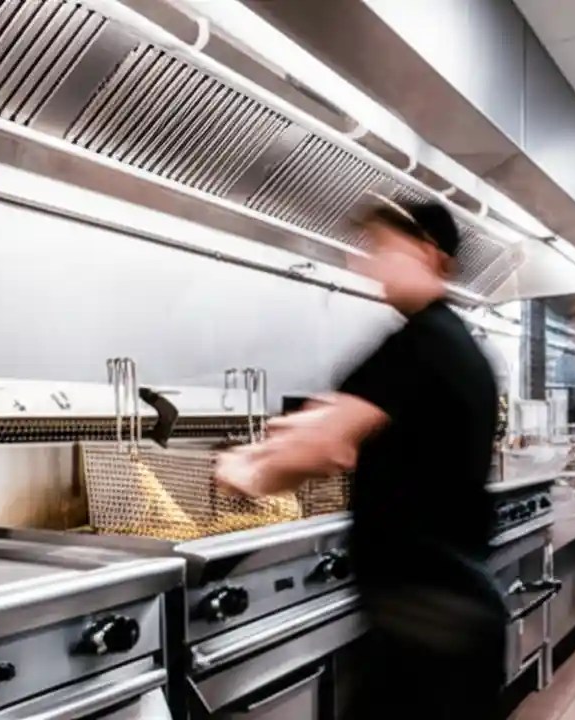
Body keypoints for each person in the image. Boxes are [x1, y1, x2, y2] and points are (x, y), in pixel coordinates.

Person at [214, 198, 506, 720]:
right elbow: (358, 420)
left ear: (427, 252)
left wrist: (250, 472)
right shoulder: (457, 344)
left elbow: (330, 444)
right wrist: (307, 427)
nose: (367, 265)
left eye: (381, 248)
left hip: (423, 620)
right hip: (458, 609)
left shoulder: (417, 344)